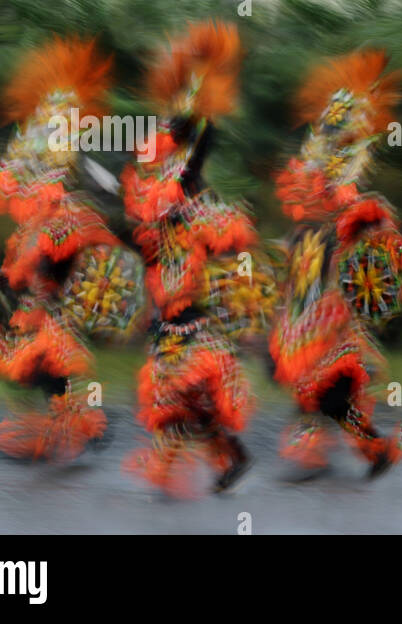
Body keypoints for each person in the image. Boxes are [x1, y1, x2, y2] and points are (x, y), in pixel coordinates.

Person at [120, 22, 273, 497]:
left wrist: (199, 98)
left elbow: (199, 144)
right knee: (181, 400)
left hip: (195, 315)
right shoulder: (153, 213)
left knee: (175, 392)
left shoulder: (197, 206)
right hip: (169, 314)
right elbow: (140, 220)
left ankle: (197, 461)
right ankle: (230, 457)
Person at [0, 37, 145, 462]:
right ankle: (84, 422)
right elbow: (22, 243)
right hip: (41, 286)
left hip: (58, 291)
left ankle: (82, 421)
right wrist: (8, 276)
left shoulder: (64, 210)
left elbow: (53, 246)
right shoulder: (35, 209)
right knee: (25, 365)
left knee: (50, 361)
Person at [270, 50, 402, 476]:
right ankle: (334, 451)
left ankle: (374, 448)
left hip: (330, 323)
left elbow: (372, 262)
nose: (325, 150)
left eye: (338, 142)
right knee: (312, 392)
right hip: (300, 315)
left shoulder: (354, 210)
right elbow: (298, 254)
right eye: (324, 136)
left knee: (331, 396)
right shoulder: (308, 207)